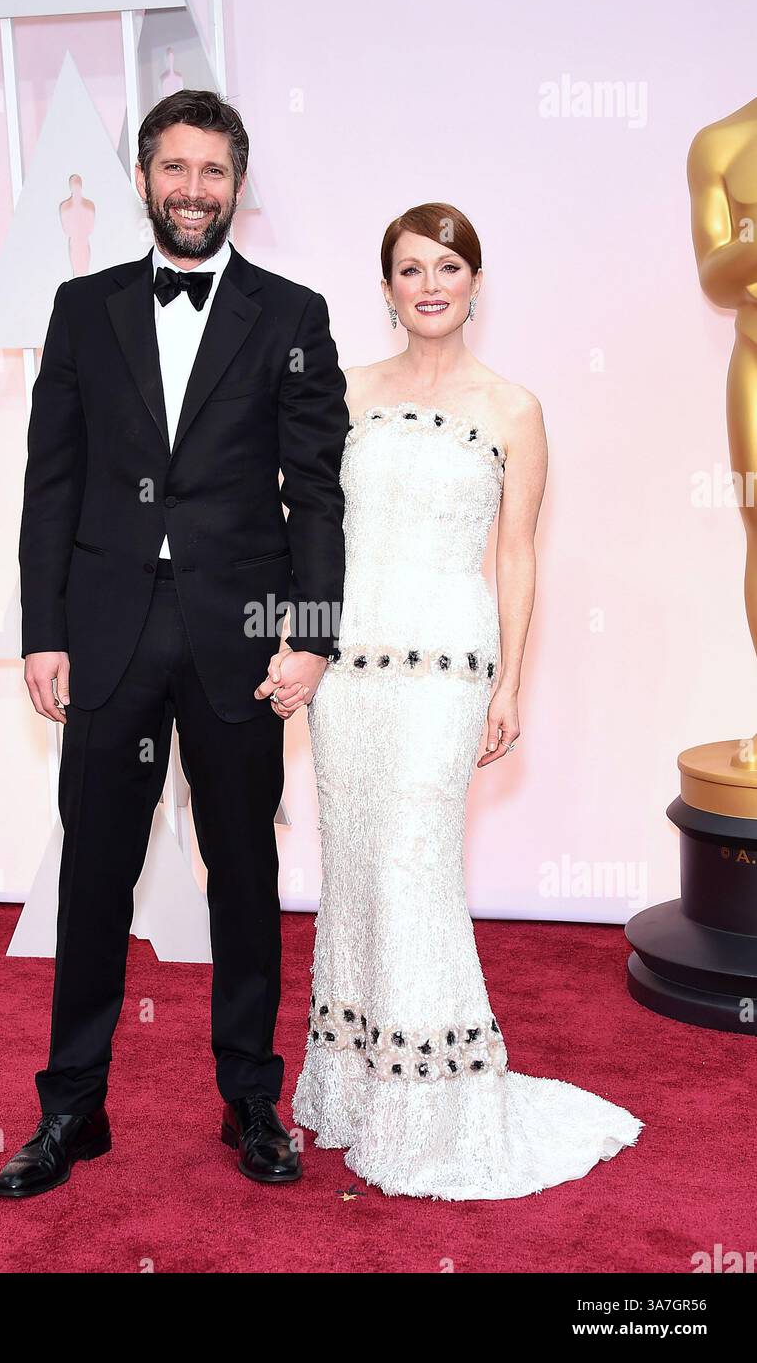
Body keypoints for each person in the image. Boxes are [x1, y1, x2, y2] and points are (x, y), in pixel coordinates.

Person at [0, 89, 347, 1199]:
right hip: (106, 632)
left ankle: (252, 1103)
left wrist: (313, 638)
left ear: (238, 186)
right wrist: (42, 632)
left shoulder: (291, 316)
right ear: (142, 179)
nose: (193, 189)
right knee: (92, 879)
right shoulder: (82, 306)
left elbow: (318, 496)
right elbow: (49, 483)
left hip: (239, 638)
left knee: (243, 874)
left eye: (213, 172)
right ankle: (70, 1113)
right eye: (174, 169)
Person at [267, 202, 644, 1199]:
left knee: (413, 863)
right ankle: (352, 1087)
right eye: (408, 269)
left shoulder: (512, 406)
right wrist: (301, 639)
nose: (429, 284)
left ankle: (436, 1104)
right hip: (348, 673)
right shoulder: (342, 394)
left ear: (474, 281)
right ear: (385, 288)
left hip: (446, 667)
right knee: (351, 864)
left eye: (446, 266)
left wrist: (511, 678)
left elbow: (514, 553)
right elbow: (313, 536)